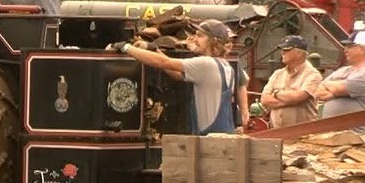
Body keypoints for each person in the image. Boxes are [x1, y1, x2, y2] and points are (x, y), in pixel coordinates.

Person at [112, 18, 248, 134]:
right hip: (223, 134)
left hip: (209, 140)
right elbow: (177, 75)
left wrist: (127, 48)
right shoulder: (225, 66)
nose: (194, 39)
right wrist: (154, 49)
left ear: (213, 41)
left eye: (200, 36)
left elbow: (164, 62)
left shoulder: (206, 64)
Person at [316, 30, 365, 133]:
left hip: (356, 137)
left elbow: (338, 89)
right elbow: (318, 92)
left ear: (361, 49)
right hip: (330, 135)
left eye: (349, 47)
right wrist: (336, 90)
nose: (345, 50)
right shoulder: (343, 70)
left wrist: (330, 86)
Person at [259, 35, 322, 129]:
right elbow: (264, 100)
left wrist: (276, 94)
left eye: (286, 50)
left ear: (299, 53)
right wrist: (291, 101)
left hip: (303, 135)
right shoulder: (277, 74)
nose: (282, 53)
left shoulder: (313, 75)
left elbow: (299, 97)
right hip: (276, 133)